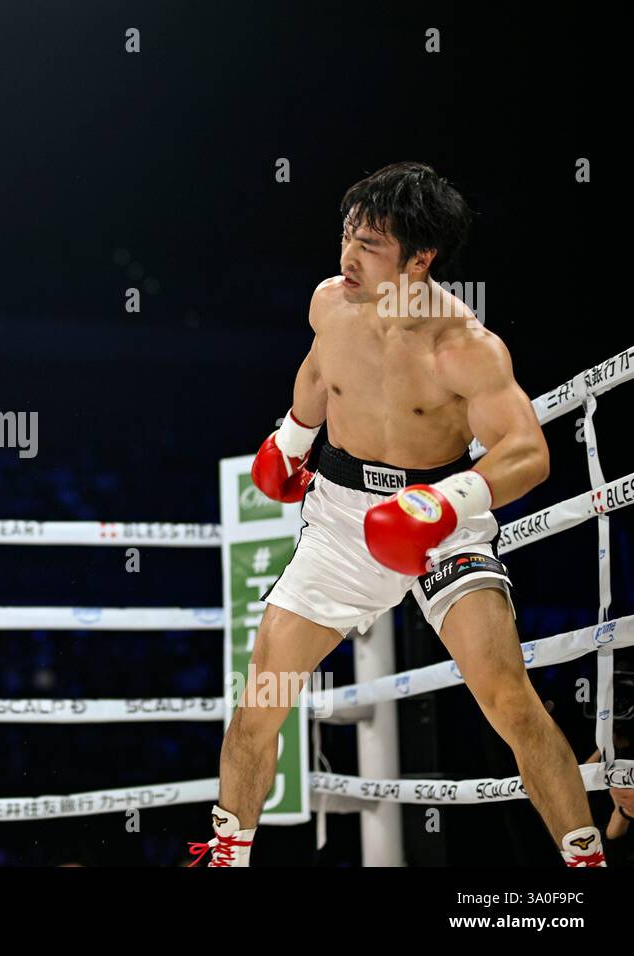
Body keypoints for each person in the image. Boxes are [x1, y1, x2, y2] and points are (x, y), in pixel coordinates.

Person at [195, 162, 605, 867]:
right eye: (347, 233)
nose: (347, 255)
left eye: (371, 243)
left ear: (420, 259)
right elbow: (321, 372)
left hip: (444, 517)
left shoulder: (465, 347)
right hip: (340, 522)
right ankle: (228, 856)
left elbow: (526, 453)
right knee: (260, 699)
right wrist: (292, 438)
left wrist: (442, 501)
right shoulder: (331, 302)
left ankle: (584, 861)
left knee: (509, 700)